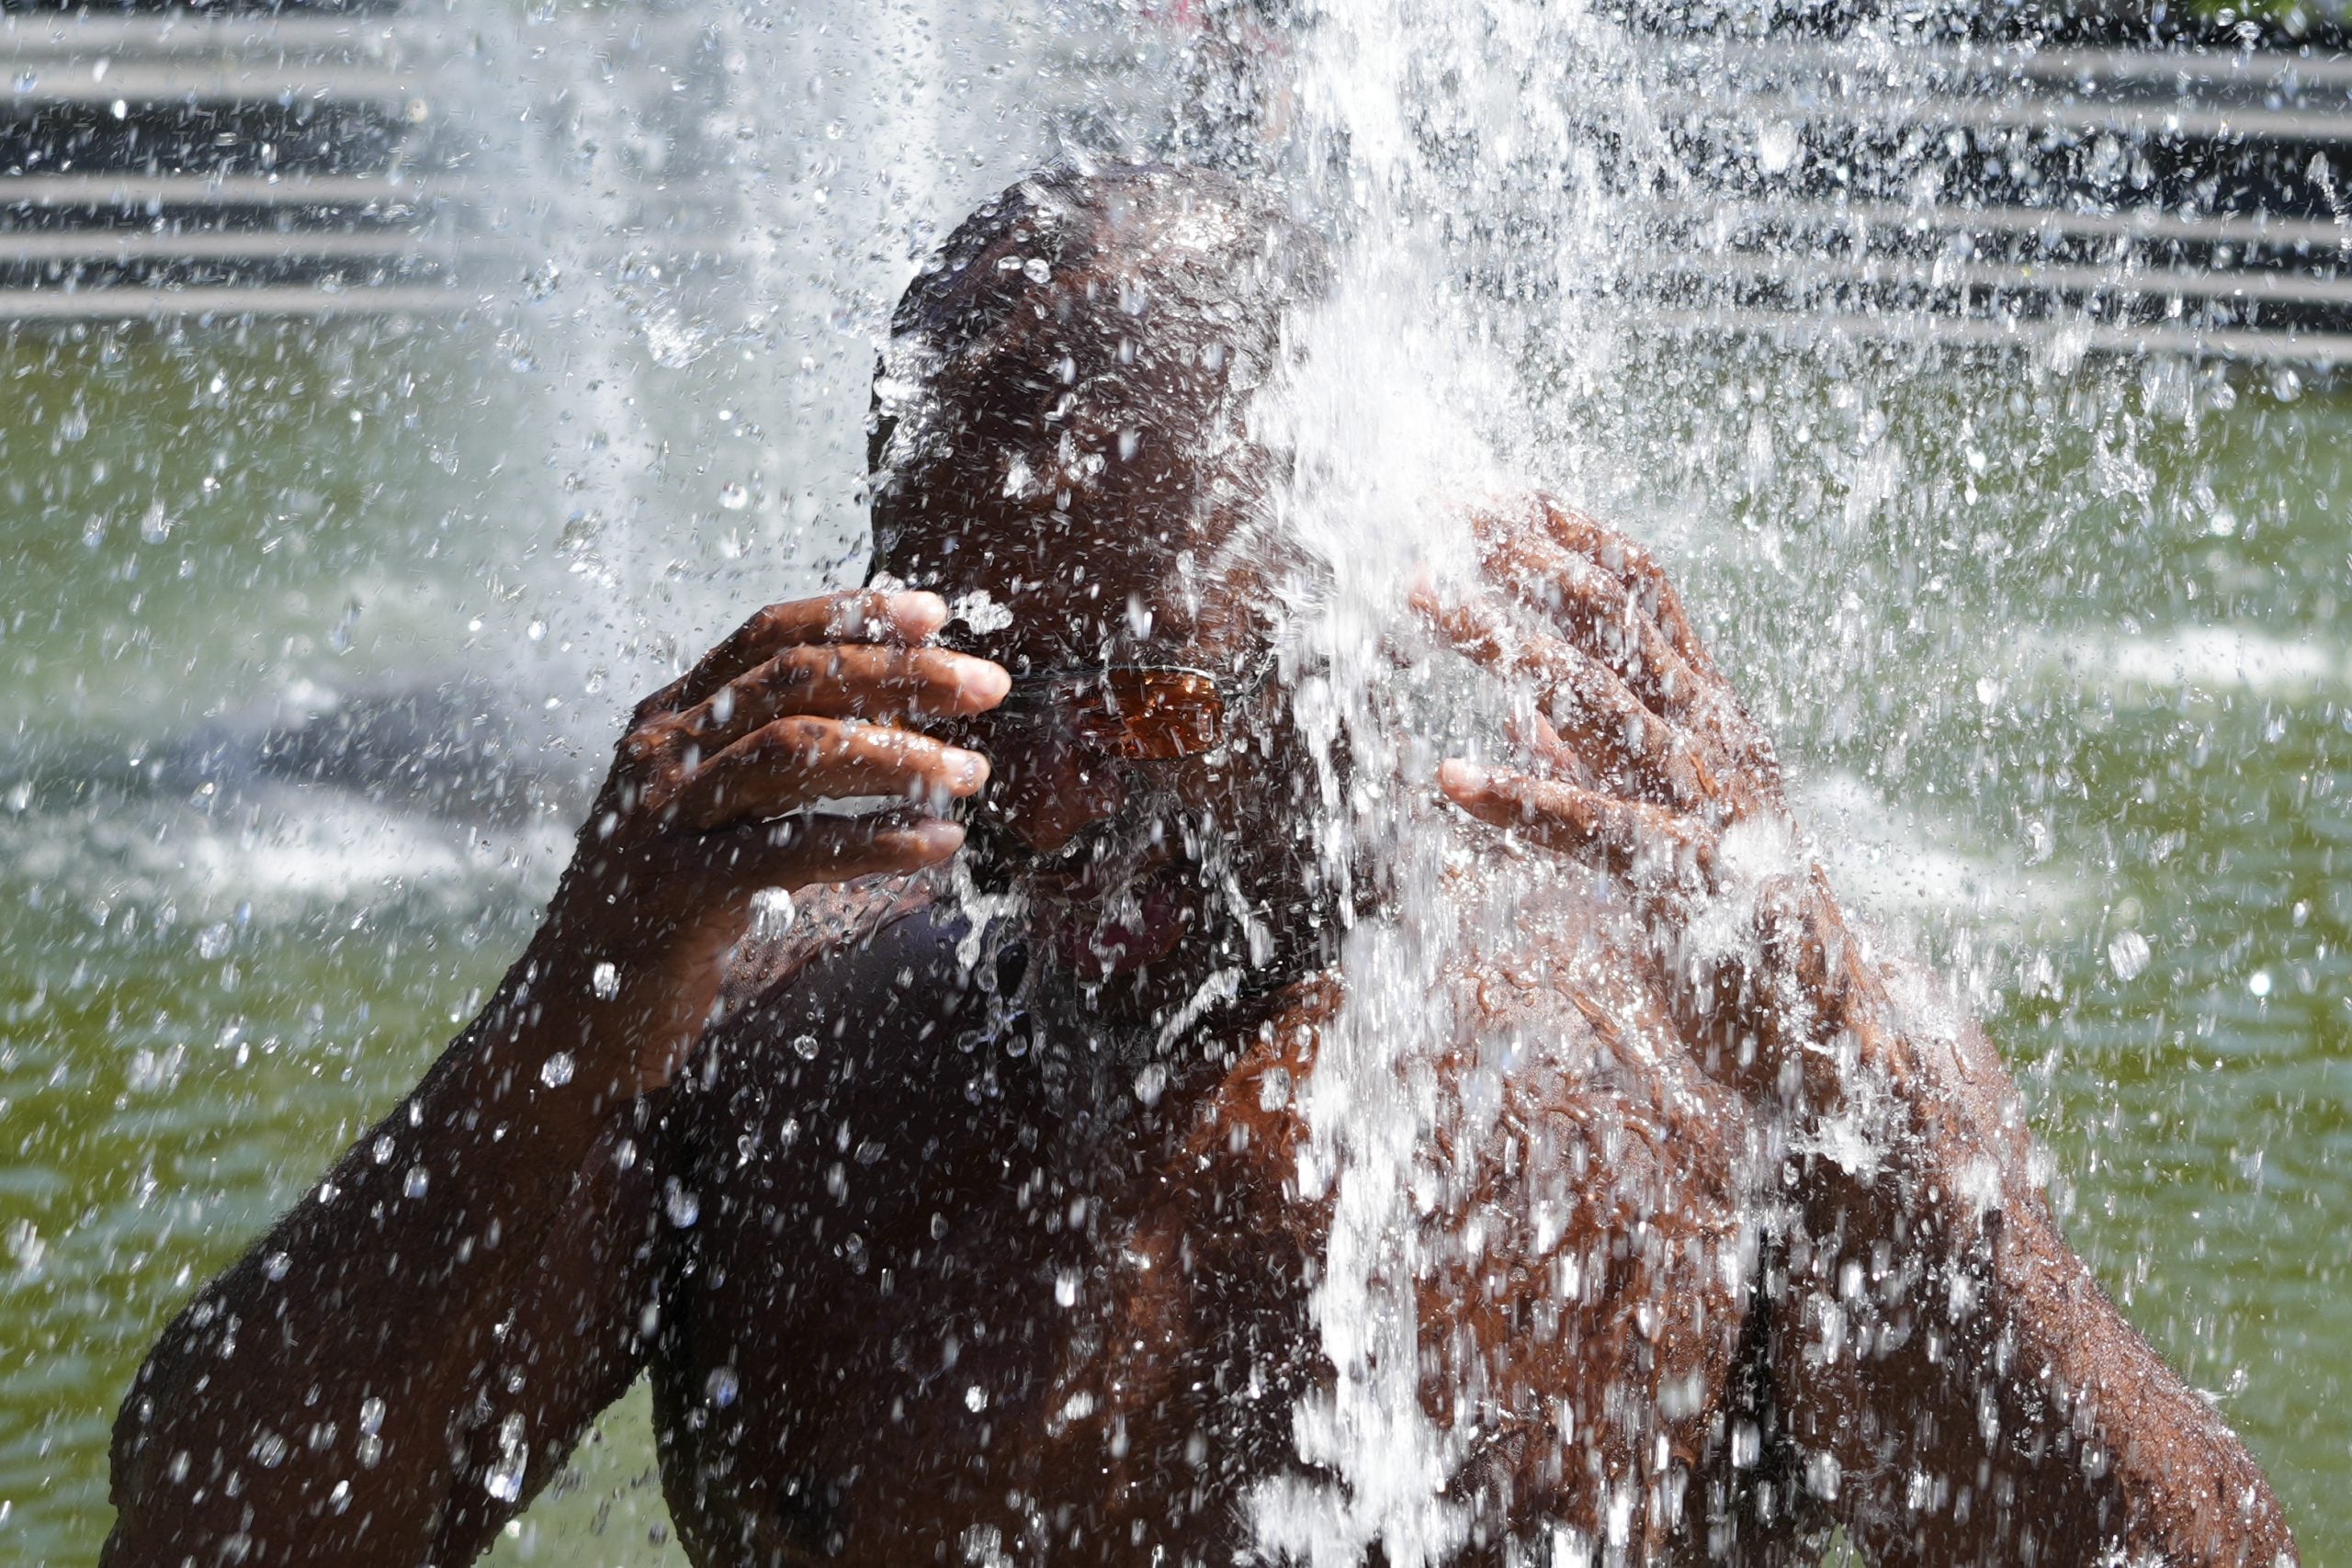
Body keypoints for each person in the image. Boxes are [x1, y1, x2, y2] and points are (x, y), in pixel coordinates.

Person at [103, 164, 2297, 1568]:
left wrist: (1850, 1089)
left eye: (1142, 694)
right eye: (976, 683)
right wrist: (576, 992)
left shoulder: (1699, 1041)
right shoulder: (758, 1048)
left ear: (1349, 613)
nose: (1046, 797)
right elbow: (204, 1530)